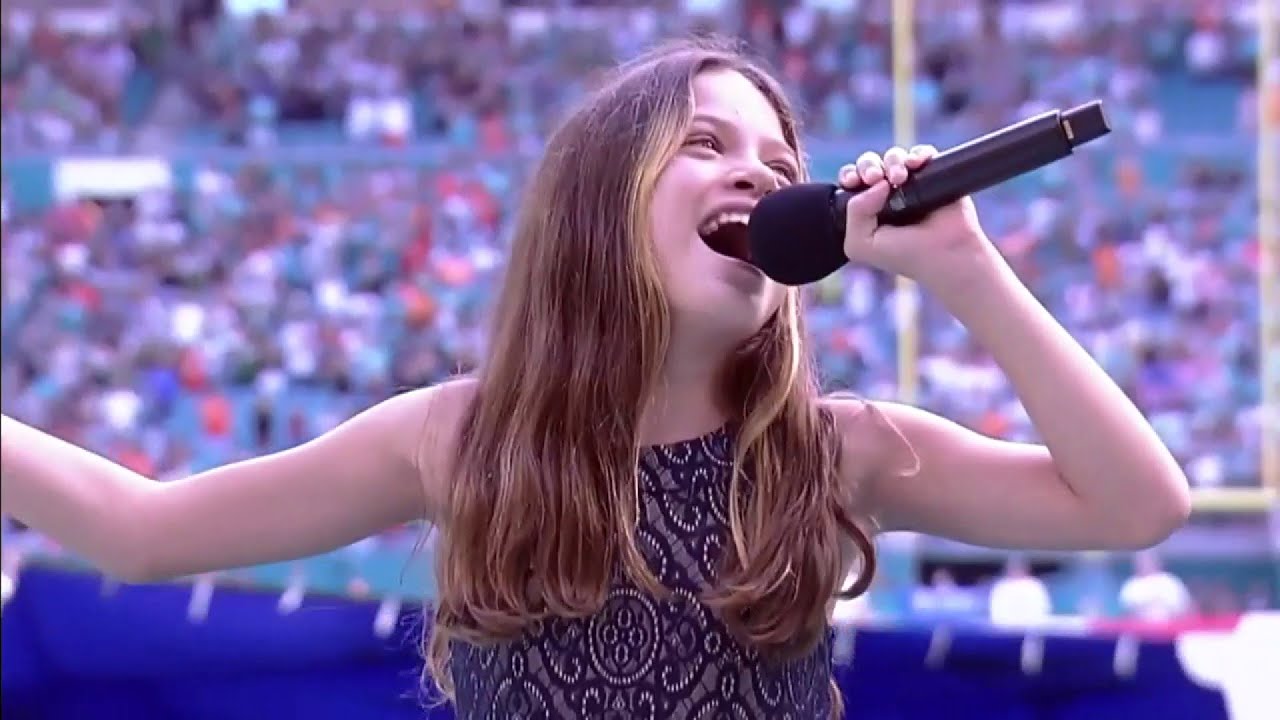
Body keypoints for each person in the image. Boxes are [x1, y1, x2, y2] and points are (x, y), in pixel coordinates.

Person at [0, 36, 1192, 719]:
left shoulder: (837, 451)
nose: (760, 178)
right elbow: (139, 533)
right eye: (704, 145)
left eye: (780, 164)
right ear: (594, 207)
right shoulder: (457, 440)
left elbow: (1138, 507)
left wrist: (966, 272)